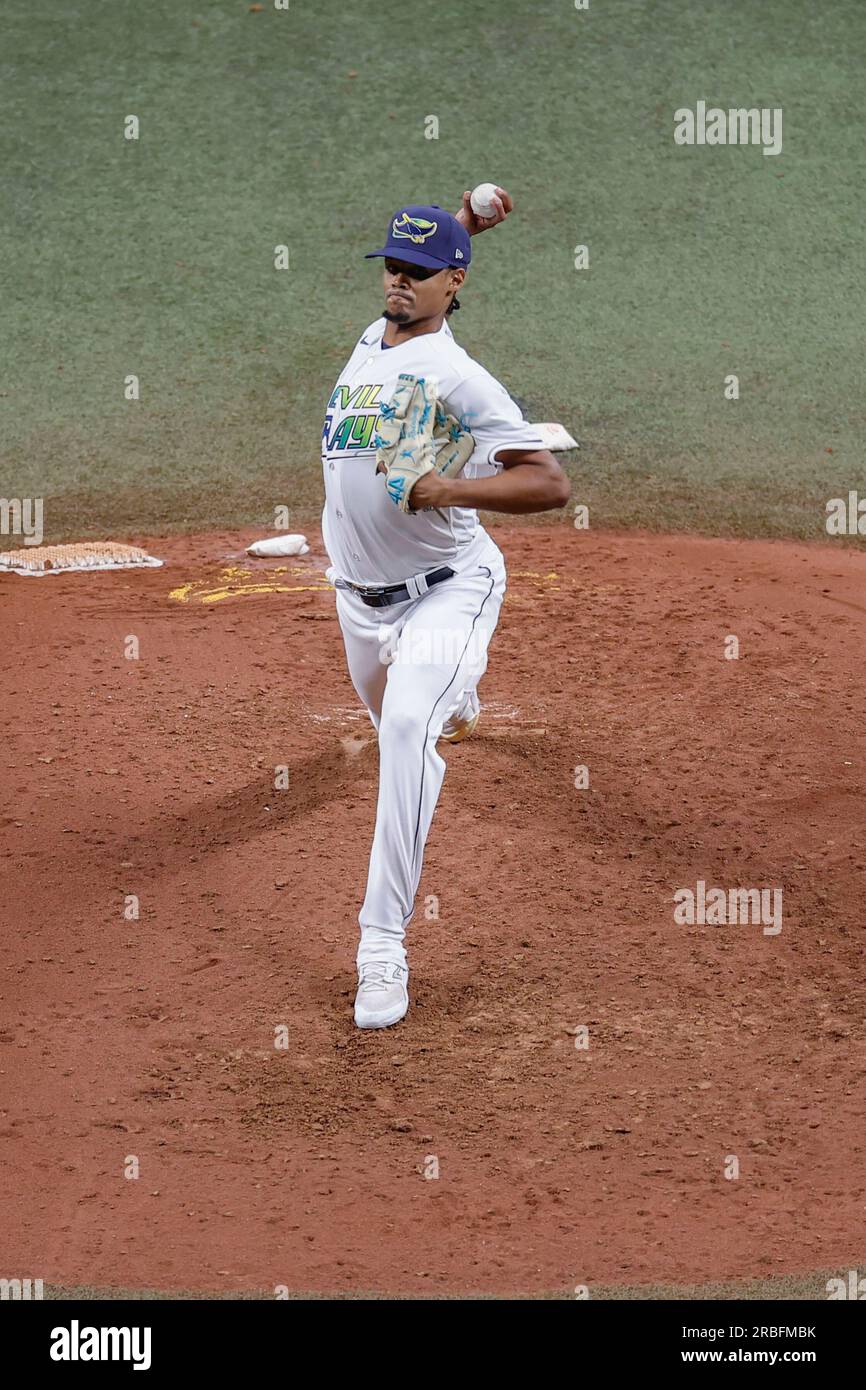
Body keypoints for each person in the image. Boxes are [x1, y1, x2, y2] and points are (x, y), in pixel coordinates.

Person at [321, 188, 570, 1029]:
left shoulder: (459, 375)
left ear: (453, 284)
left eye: (419, 273)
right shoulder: (373, 339)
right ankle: (455, 696)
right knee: (394, 709)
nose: (400, 281)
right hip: (359, 604)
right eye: (393, 266)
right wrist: (463, 217)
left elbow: (548, 480)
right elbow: (430, 262)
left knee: (402, 734)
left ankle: (381, 945)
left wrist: (449, 488)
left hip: (448, 589)